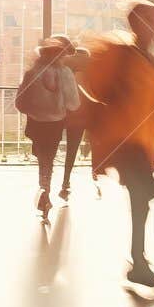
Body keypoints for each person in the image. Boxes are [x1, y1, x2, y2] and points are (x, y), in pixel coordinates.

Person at [82, 0, 154, 288]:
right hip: (122, 140)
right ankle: (138, 260)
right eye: (148, 20)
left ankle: (138, 260)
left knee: (141, 198)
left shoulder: (151, 61)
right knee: (145, 191)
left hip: (142, 140)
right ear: (135, 24)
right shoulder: (121, 54)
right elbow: (94, 83)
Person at [18, 38, 80, 220]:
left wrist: (33, 110)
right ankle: (45, 192)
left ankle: (43, 190)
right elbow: (73, 103)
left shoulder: (31, 73)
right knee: (49, 159)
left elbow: (20, 102)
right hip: (55, 123)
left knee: (42, 158)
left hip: (36, 123)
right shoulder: (66, 73)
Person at [49, 35, 91, 200]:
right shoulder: (87, 69)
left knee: (51, 147)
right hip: (79, 116)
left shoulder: (63, 66)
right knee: (72, 150)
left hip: (59, 113)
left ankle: (46, 180)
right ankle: (65, 183)